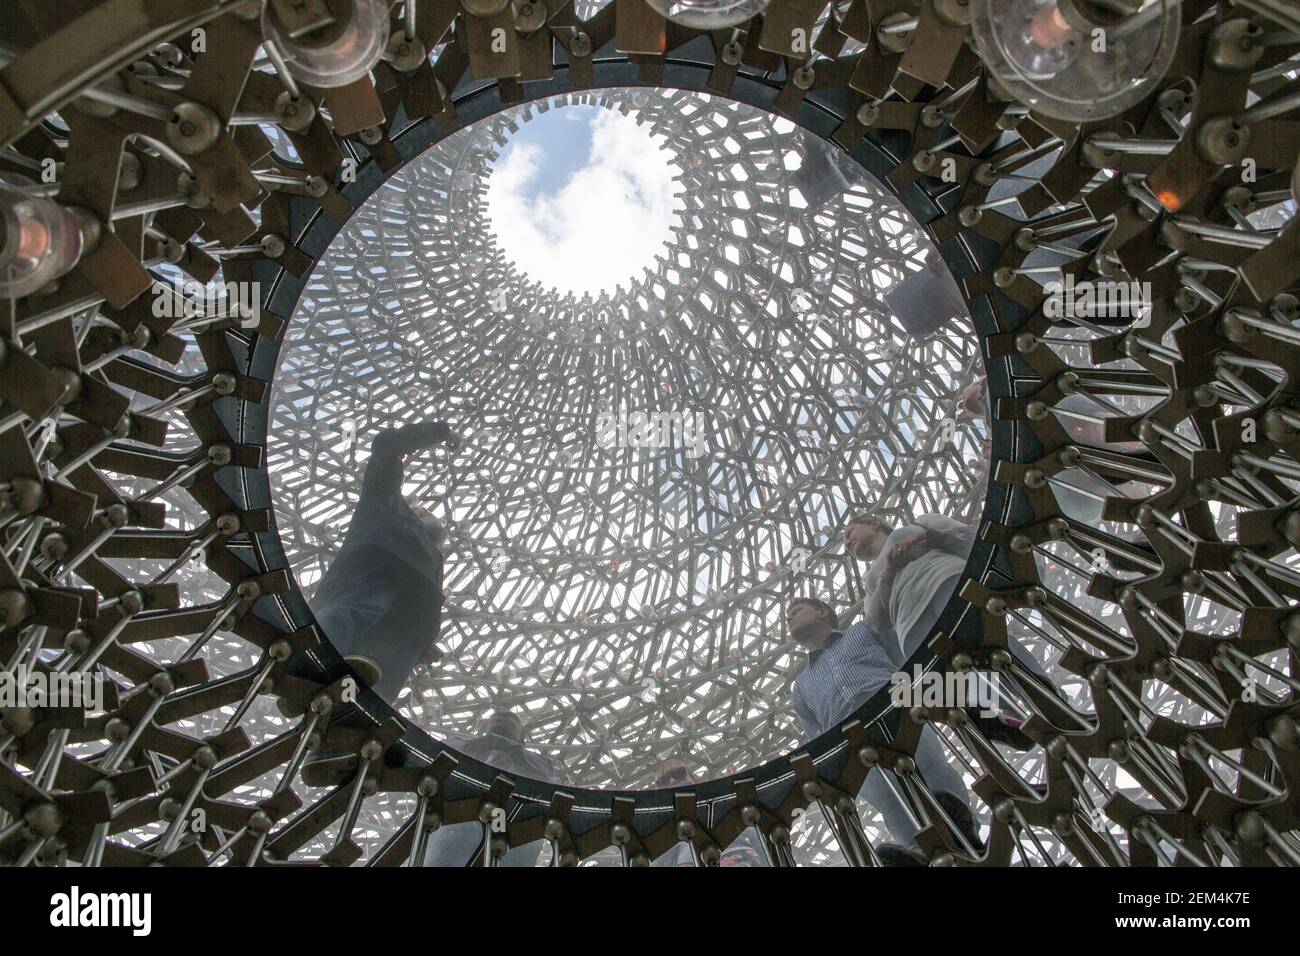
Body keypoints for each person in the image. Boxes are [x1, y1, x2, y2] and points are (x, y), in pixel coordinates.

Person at [299, 420, 460, 786]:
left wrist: (425, 640)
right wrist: (440, 432)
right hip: (372, 571)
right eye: (424, 510)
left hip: (411, 618)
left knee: (380, 680)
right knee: (344, 622)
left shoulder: (434, 558)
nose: (429, 514)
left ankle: (339, 744)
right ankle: (307, 670)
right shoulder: (385, 503)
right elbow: (386, 445)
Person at [786, 597, 980, 864]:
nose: (790, 618)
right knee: (889, 800)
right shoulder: (800, 687)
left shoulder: (866, 630)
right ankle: (917, 848)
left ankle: (962, 826)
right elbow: (816, 738)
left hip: (896, 709)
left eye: (796, 611)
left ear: (822, 611)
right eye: (788, 617)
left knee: (930, 767)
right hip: (849, 741)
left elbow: (904, 659)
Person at [422, 710, 556, 867]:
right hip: (458, 830)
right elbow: (435, 755)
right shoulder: (460, 743)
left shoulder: (537, 761)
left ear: (523, 736)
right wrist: (482, 745)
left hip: (508, 832)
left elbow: (544, 787)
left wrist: (512, 756)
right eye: (496, 716)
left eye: (511, 718)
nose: (501, 717)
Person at [648, 758, 770, 867]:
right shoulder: (663, 827)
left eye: (678, 774)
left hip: (735, 857)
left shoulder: (720, 802)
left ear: (694, 778)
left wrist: (738, 797)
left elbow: (756, 830)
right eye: (663, 781)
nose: (672, 781)